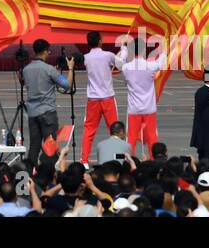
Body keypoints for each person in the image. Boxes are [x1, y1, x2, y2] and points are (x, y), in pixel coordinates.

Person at [22, 38, 73, 166]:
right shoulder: (49, 69)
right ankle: (48, 173)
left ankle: (30, 172)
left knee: (34, 145)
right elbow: (67, 85)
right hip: (47, 112)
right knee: (50, 145)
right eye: (48, 51)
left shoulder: (26, 69)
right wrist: (71, 69)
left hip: (32, 113)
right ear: (45, 51)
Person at [115, 35, 164, 159]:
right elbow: (162, 62)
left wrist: (124, 47)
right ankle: (155, 161)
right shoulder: (150, 66)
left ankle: (130, 164)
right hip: (149, 108)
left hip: (134, 109)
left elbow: (119, 62)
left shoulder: (126, 68)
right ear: (143, 50)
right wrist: (164, 49)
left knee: (130, 139)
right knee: (152, 138)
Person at [80, 30, 119, 165]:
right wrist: (124, 49)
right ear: (100, 41)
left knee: (89, 131)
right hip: (107, 98)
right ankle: (117, 157)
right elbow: (120, 64)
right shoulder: (108, 55)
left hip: (93, 99)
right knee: (114, 129)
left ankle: (84, 160)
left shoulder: (86, 58)